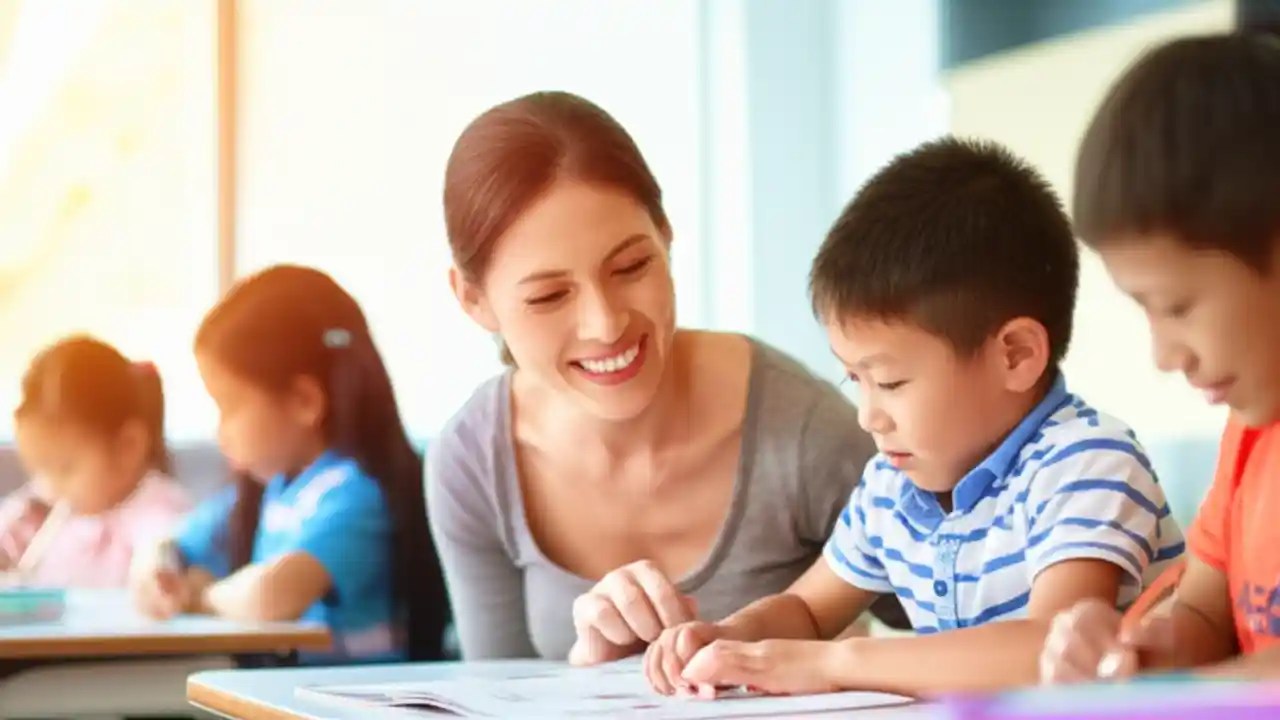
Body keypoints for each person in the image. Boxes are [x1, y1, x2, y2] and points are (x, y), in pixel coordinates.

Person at [644, 137, 1184, 697]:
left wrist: (833, 665)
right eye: (855, 381)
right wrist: (730, 636)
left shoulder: (1088, 461)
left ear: (1016, 355)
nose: (868, 416)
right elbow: (806, 610)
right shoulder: (892, 486)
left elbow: (1046, 652)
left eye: (891, 382)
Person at [428, 90, 901, 664]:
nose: (605, 325)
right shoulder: (472, 462)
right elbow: (491, 702)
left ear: (666, 234)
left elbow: (985, 625)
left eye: (631, 267)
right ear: (473, 299)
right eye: (550, 296)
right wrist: (594, 676)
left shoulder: (808, 432)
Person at [1040, 34, 1280, 682]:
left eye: (1176, 306)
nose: (1163, 354)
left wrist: (1182, 697)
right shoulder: (1252, 437)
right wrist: (1140, 654)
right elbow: (1205, 613)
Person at [130, 265, 450, 662]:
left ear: (304, 402)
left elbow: (273, 594)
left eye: (229, 406)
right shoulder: (275, 488)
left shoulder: (355, 495)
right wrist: (159, 569)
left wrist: (202, 596)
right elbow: (171, 542)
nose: (221, 432)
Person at [2, 335, 189, 587]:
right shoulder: (40, 508)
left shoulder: (158, 512)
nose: (50, 486)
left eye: (65, 468)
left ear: (128, 447)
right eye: (39, 470)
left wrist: (155, 570)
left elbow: (163, 555)